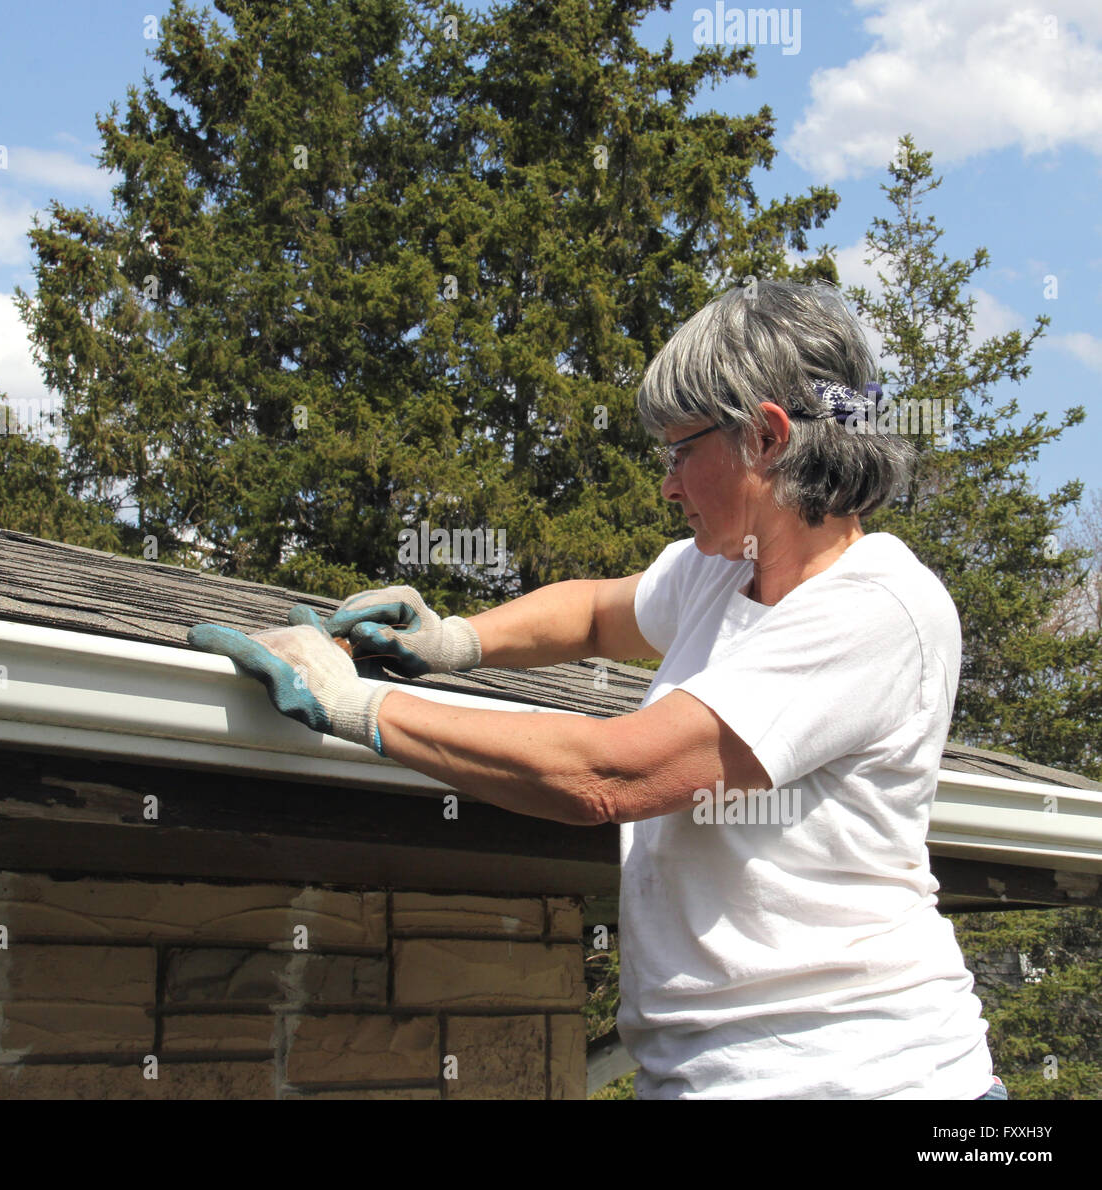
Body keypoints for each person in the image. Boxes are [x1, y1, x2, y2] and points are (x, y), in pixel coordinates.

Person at [188, 279, 1003, 1100]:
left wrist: (358, 705)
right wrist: (452, 640)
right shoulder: (722, 571)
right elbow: (591, 612)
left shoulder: (874, 609)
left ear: (765, 436)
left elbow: (610, 774)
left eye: (681, 450)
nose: (668, 484)